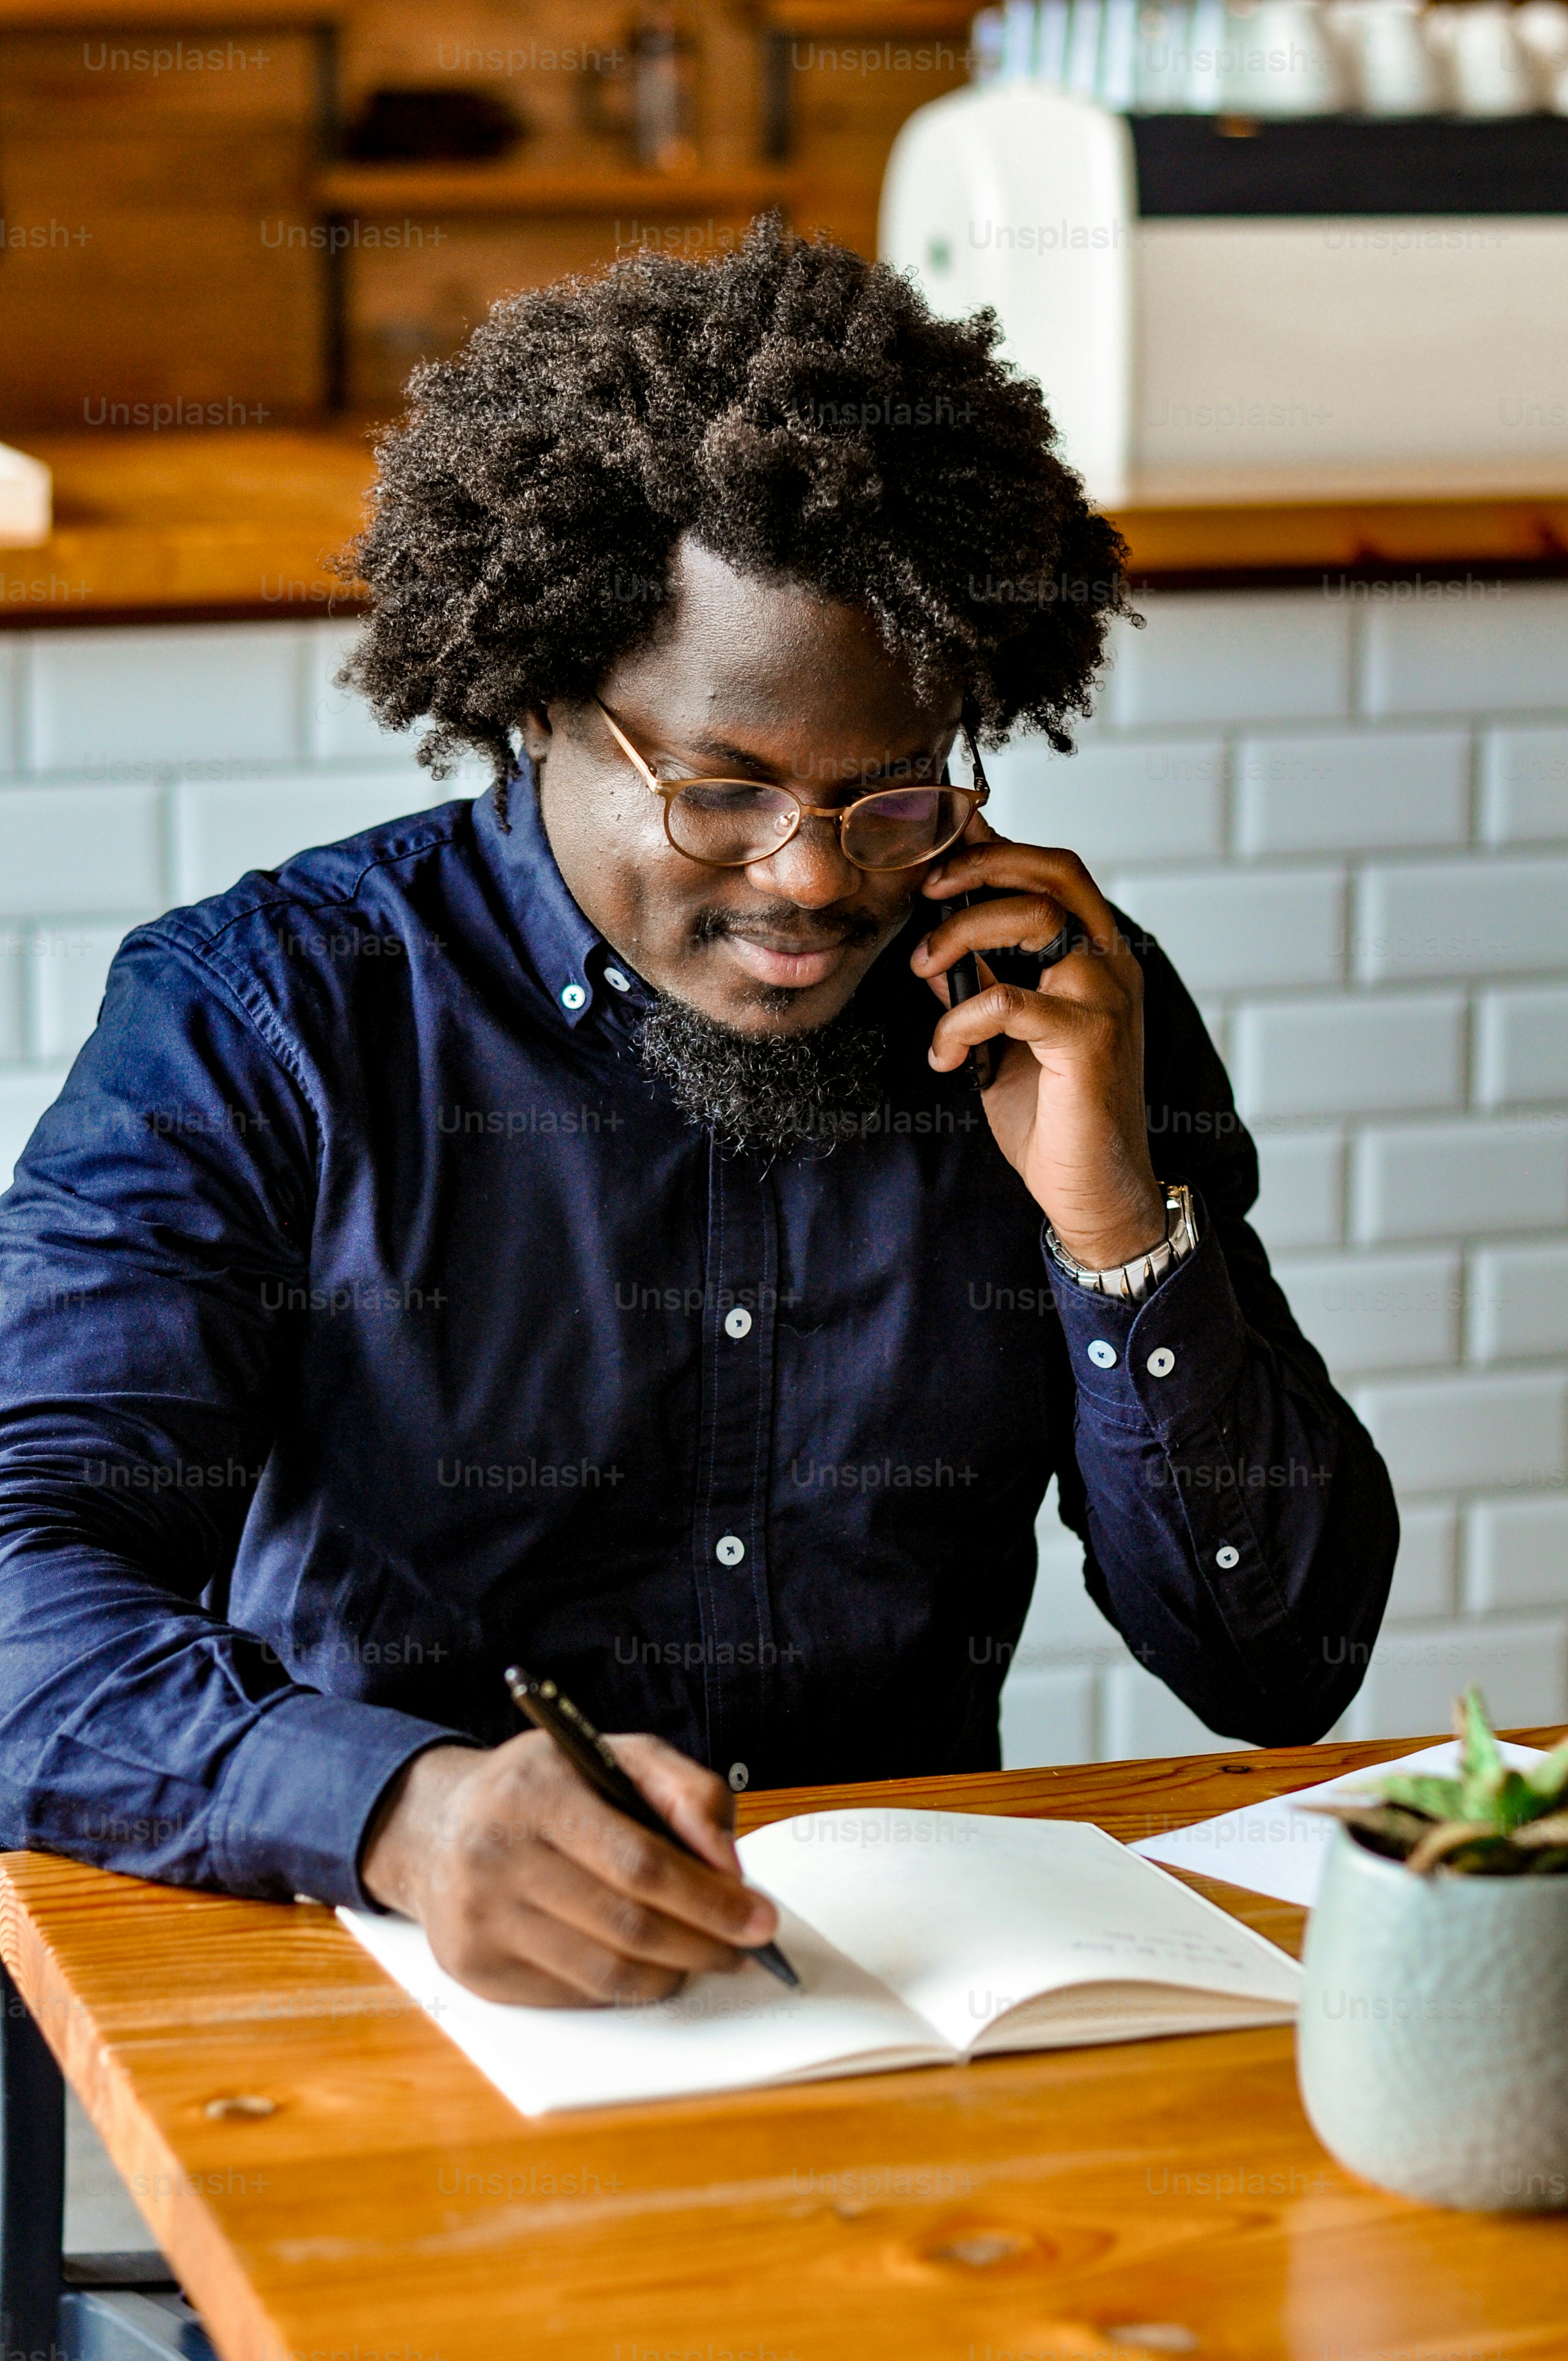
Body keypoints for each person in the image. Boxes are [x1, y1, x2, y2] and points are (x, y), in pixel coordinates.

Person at [0, 222, 1396, 2008]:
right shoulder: (264, 1022)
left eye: (892, 794)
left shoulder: (1052, 1014)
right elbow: (28, 1591)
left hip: (898, 2011)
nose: (812, 883)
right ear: (535, 700)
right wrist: (403, 1812)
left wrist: (1118, 1232)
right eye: (723, 793)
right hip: (393, 1992)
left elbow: (1287, 1670)